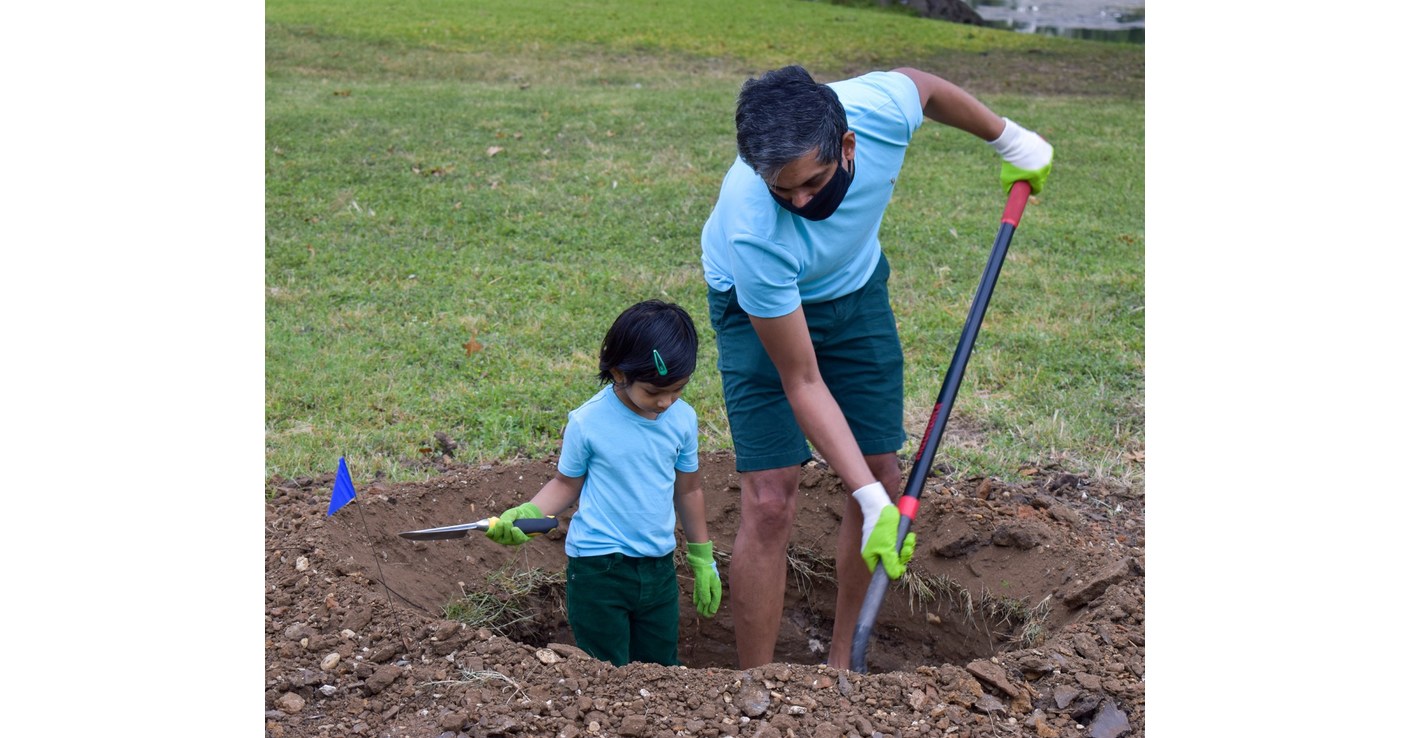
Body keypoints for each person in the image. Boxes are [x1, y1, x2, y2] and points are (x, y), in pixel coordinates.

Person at [700, 65, 1052, 669]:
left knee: (883, 472)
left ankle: (844, 668)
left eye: (813, 182)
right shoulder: (753, 229)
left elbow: (930, 87)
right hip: (757, 307)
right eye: (785, 190)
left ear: (847, 146)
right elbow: (802, 380)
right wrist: (862, 496)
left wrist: (1008, 137)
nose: (802, 201)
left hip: (856, 291)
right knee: (770, 497)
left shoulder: (879, 111)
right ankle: (754, 685)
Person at [484, 299, 721, 667]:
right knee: (603, 671)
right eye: (653, 392)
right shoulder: (588, 422)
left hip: (659, 569)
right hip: (598, 570)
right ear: (618, 372)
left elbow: (688, 489)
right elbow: (566, 484)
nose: (665, 403)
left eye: (677, 390)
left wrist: (702, 558)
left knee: (662, 669)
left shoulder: (682, 420)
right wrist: (529, 513)